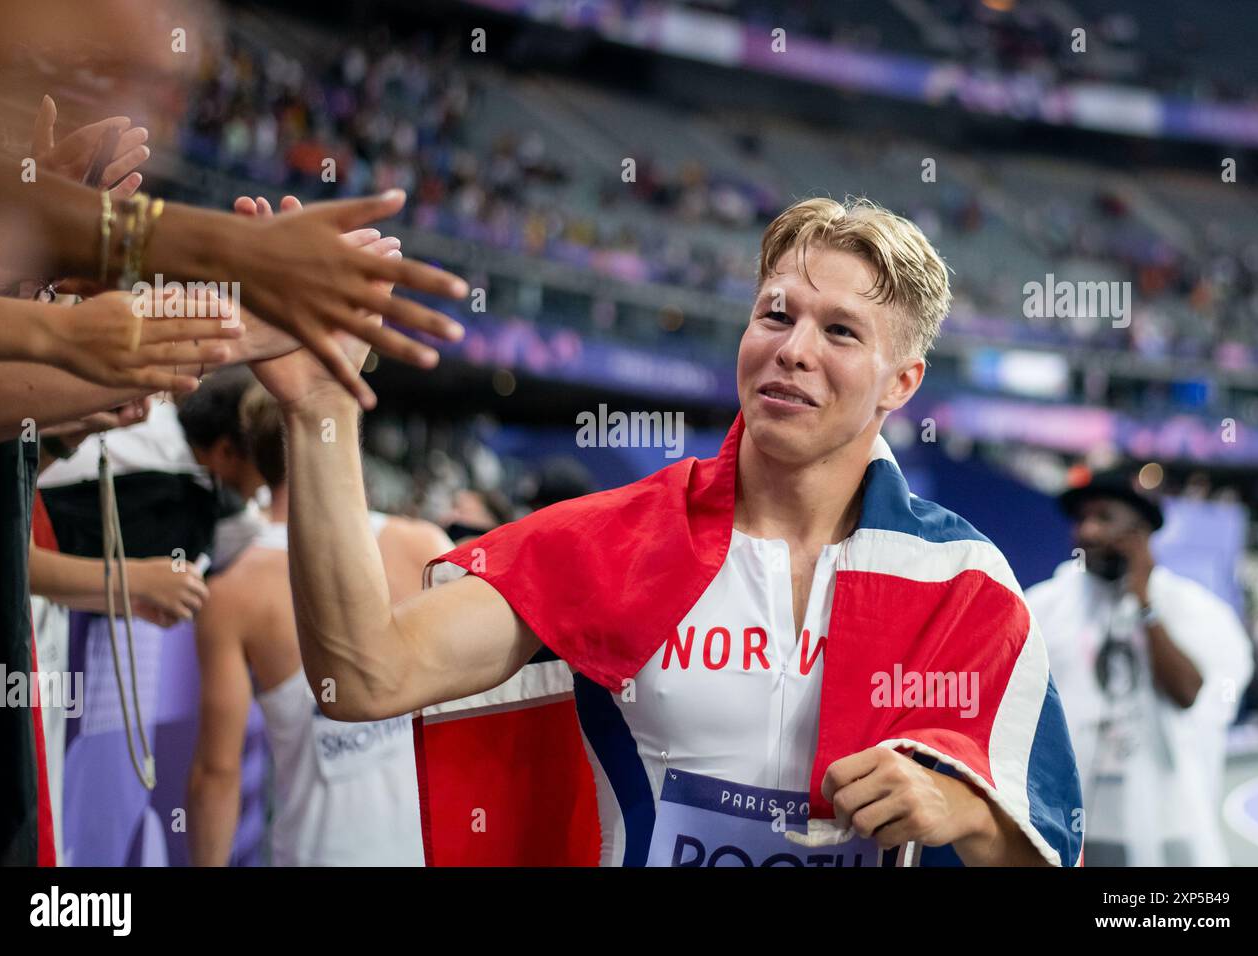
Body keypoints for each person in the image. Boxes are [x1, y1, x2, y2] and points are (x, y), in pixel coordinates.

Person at [253, 196, 1083, 867]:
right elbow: (358, 678)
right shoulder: (616, 542)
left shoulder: (963, 584)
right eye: (775, 315)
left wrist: (964, 810)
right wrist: (319, 407)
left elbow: (1048, 845)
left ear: (902, 383)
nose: (793, 349)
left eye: (839, 331)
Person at [187, 377, 451, 865]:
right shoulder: (425, 545)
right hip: (436, 844)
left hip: (322, 850)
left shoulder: (235, 593)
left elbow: (217, 774)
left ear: (258, 457)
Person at [1025, 469, 1254, 866]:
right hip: (1066, 821)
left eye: (1103, 518)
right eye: (1081, 520)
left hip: (1165, 823)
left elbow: (1187, 692)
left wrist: (1144, 602)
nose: (1088, 532)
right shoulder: (1045, 606)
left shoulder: (1192, 608)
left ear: (1141, 534)